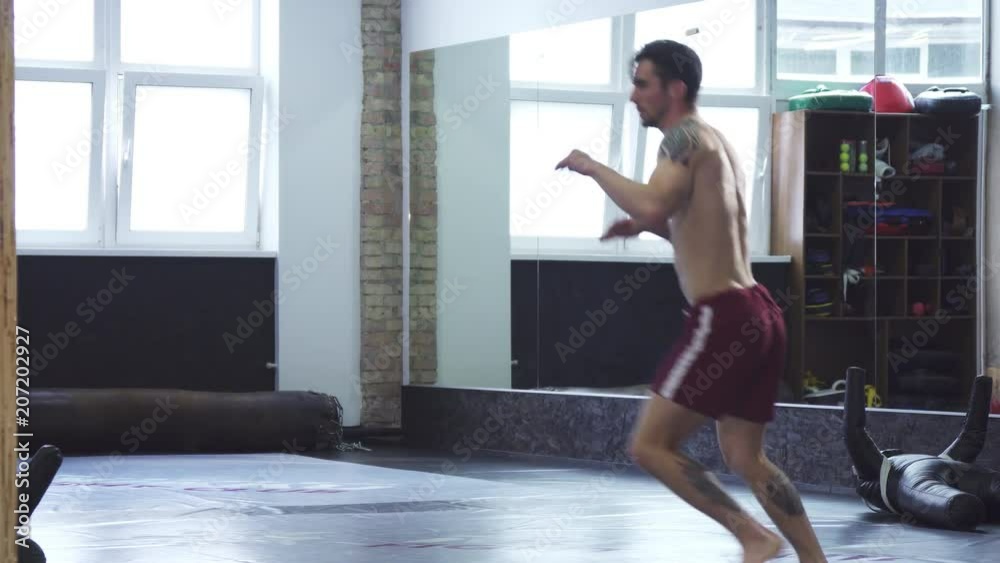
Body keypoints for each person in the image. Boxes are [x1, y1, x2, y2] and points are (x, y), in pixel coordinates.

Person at [555, 40, 828, 563]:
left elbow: (656, 199)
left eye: (641, 84)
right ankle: (815, 561)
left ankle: (753, 536)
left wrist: (592, 166)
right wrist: (648, 225)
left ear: (674, 89)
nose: (633, 96)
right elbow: (693, 222)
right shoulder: (714, 140)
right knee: (747, 457)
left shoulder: (679, 136)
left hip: (723, 317)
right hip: (759, 312)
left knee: (650, 446)